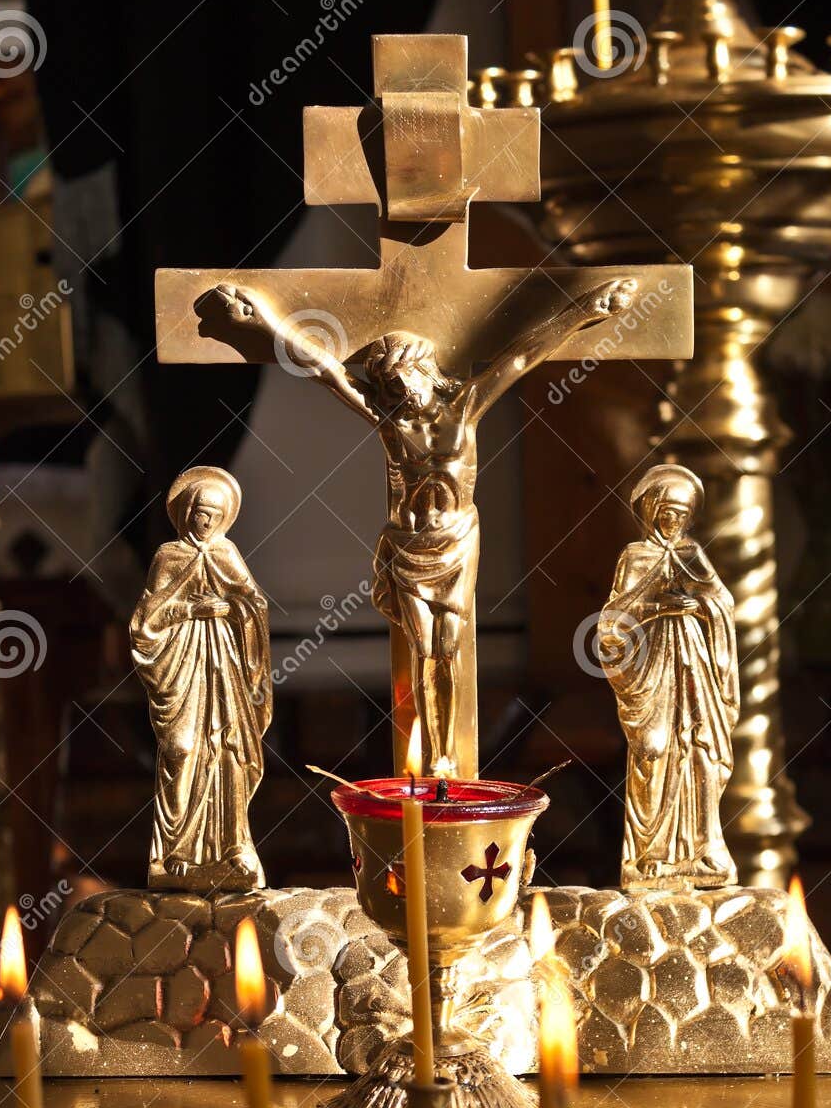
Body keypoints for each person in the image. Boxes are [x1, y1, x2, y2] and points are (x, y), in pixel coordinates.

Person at [209, 276, 639, 774]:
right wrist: (260, 323)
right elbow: (325, 371)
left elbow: (522, 356)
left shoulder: (465, 409)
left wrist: (587, 307)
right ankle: (434, 752)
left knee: (447, 648)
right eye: (388, 386)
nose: (396, 392)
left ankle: (442, 752)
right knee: (421, 646)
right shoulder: (391, 424)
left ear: (424, 371)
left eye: (401, 381)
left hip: (454, 544)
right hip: (408, 546)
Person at [130, 465, 271, 891]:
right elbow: (146, 620)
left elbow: (255, 604)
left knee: (226, 750)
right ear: (186, 510)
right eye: (199, 512)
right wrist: (192, 610)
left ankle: (232, 846)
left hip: (224, 667)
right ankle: (176, 851)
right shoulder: (167, 557)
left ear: (225, 516)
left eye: (213, 514)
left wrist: (232, 610)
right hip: (183, 666)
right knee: (182, 748)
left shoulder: (227, 554)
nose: (205, 521)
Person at [598, 464, 739, 889]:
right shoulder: (634, 557)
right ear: (651, 510)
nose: (672, 522)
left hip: (693, 665)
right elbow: (613, 619)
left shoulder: (693, 553)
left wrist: (699, 607)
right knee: (654, 750)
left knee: (698, 751)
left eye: (681, 514)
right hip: (653, 670)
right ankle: (650, 855)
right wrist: (659, 607)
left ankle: (703, 848)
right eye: (665, 512)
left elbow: (724, 602)